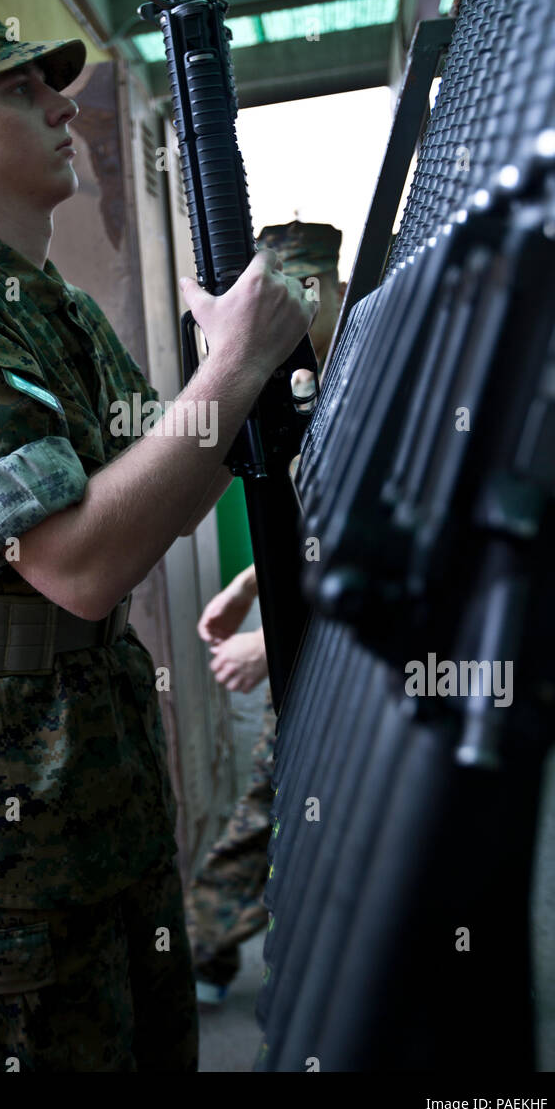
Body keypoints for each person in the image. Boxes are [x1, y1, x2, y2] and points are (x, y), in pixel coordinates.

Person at [0, 0, 318, 1071]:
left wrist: (240, 383)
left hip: (97, 776)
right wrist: (230, 367)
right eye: (21, 89)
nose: (61, 106)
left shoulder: (49, 305)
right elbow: (79, 563)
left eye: (53, 83)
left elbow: (158, 491)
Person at [183, 221, 345, 1004]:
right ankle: (209, 950)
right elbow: (318, 523)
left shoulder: (369, 373)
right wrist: (253, 589)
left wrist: (275, 640)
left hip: (366, 642)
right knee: (274, 805)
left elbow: (377, 534)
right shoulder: (300, 383)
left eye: (309, 291)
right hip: (327, 635)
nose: (298, 310)